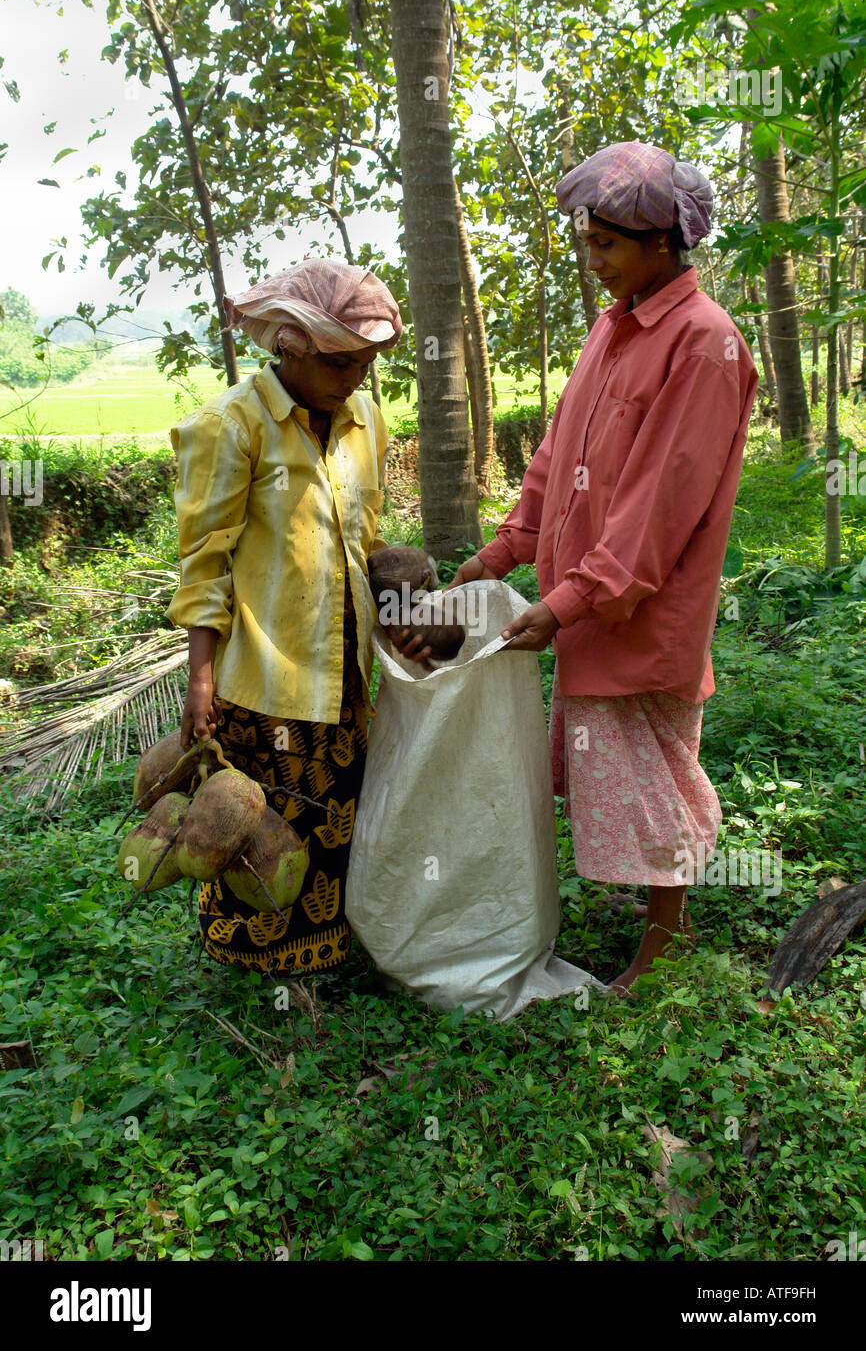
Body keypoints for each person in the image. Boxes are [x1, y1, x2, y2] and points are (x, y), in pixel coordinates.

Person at [444, 141, 759, 995]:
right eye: (589, 243)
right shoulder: (612, 327)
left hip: (639, 607)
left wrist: (568, 603)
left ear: (663, 243)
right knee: (616, 771)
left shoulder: (704, 345)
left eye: (607, 245)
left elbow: (662, 504)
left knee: (654, 777)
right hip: (588, 603)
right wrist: (504, 547)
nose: (593, 262)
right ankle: (656, 914)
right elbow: (557, 458)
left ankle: (670, 936)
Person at [165, 258, 426, 977]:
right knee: (261, 821)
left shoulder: (363, 420)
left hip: (343, 665)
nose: (357, 379)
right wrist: (200, 679)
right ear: (290, 343)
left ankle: (328, 950)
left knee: (336, 814)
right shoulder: (230, 426)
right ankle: (257, 960)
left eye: (367, 363)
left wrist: (397, 617)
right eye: (342, 361)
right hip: (265, 674)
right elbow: (206, 562)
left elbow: (362, 538)